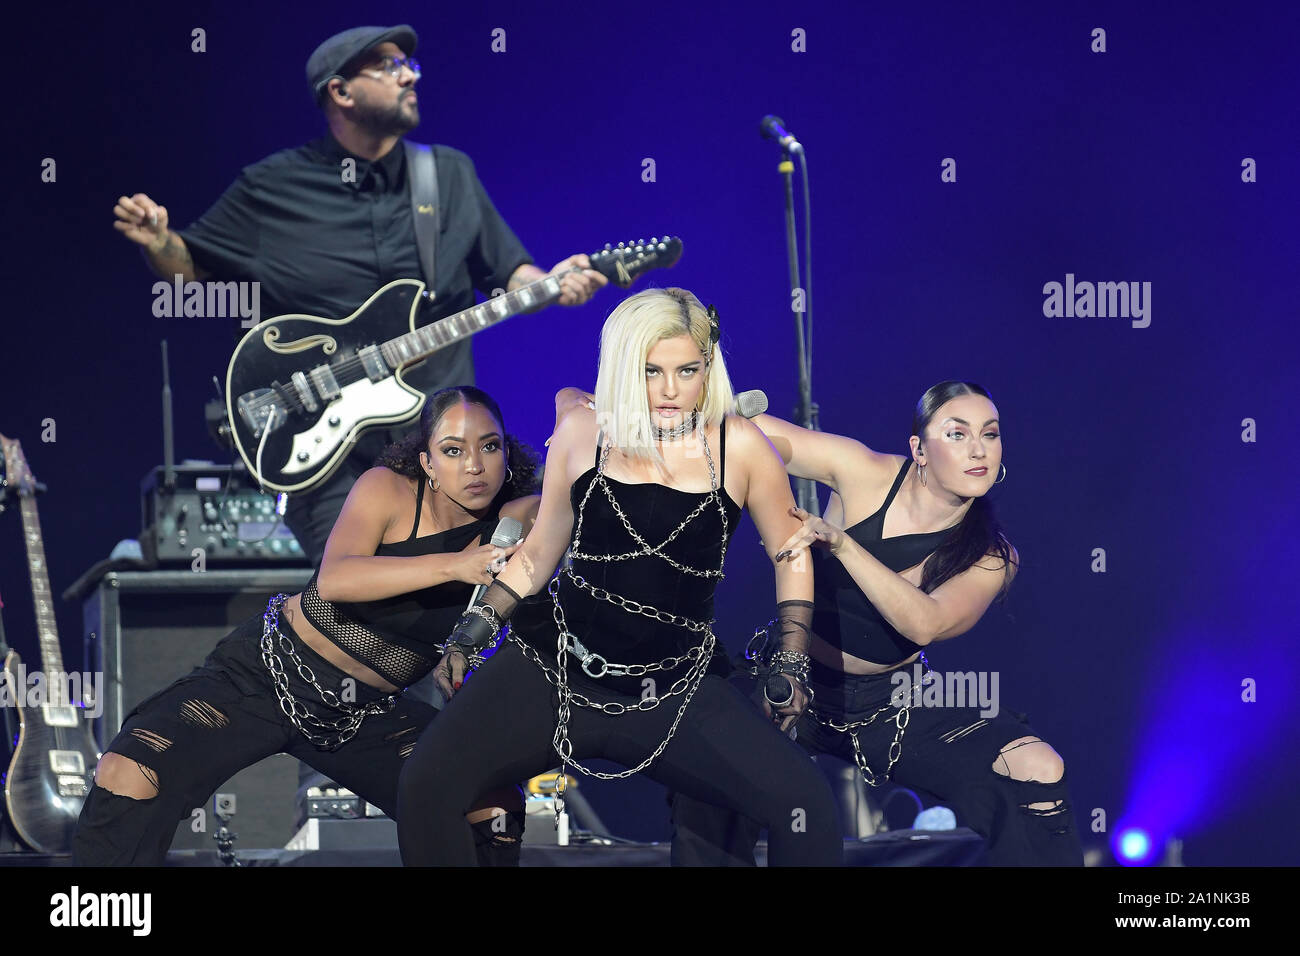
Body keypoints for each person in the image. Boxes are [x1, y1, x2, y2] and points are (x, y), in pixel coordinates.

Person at [111, 23, 605, 566]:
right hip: (322, 445)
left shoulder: (445, 176)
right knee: (357, 600)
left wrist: (552, 284)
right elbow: (189, 272)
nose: (410, 76)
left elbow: (508, 270)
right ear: (340, 92)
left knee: (449, 600)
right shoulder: (271, 187)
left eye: (410, 66)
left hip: (438, 443)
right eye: (390, 67)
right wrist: (160, 241)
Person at [395, 288, 843, 866]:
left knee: (805, 807)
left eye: (688, 370)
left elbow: (791, 552)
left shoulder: (742, 446)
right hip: (555, 671)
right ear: (624, 368)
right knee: (424, 785)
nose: (670, 389)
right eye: (651, 371)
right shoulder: (586, 435)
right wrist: (469, 636)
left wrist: (790, 659)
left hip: (675, 690)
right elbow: (536, 557)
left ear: (710, 367)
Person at [73, 386, 540, 865]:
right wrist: (454, 566)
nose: (475, 466)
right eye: (453, 450)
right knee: (129, 769)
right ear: (426, 462)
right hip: (263, 675)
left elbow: (565, 501)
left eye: (490, 445)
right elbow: (337, 578)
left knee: (489, 801)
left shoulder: (516, 517)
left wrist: (463, 645)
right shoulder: (387, 488)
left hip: (364, 713)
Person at [668, 381, 1085, 865]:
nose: (978, 449)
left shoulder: (992, 554)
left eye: (990, 435)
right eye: (957, 434)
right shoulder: (864, 472)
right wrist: (715, 416)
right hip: (790, 680)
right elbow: (763, 439)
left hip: (890, 705)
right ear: (919, 449)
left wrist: (845, 545)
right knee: (709, 771)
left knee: (1037, 766)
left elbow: (924, 624)